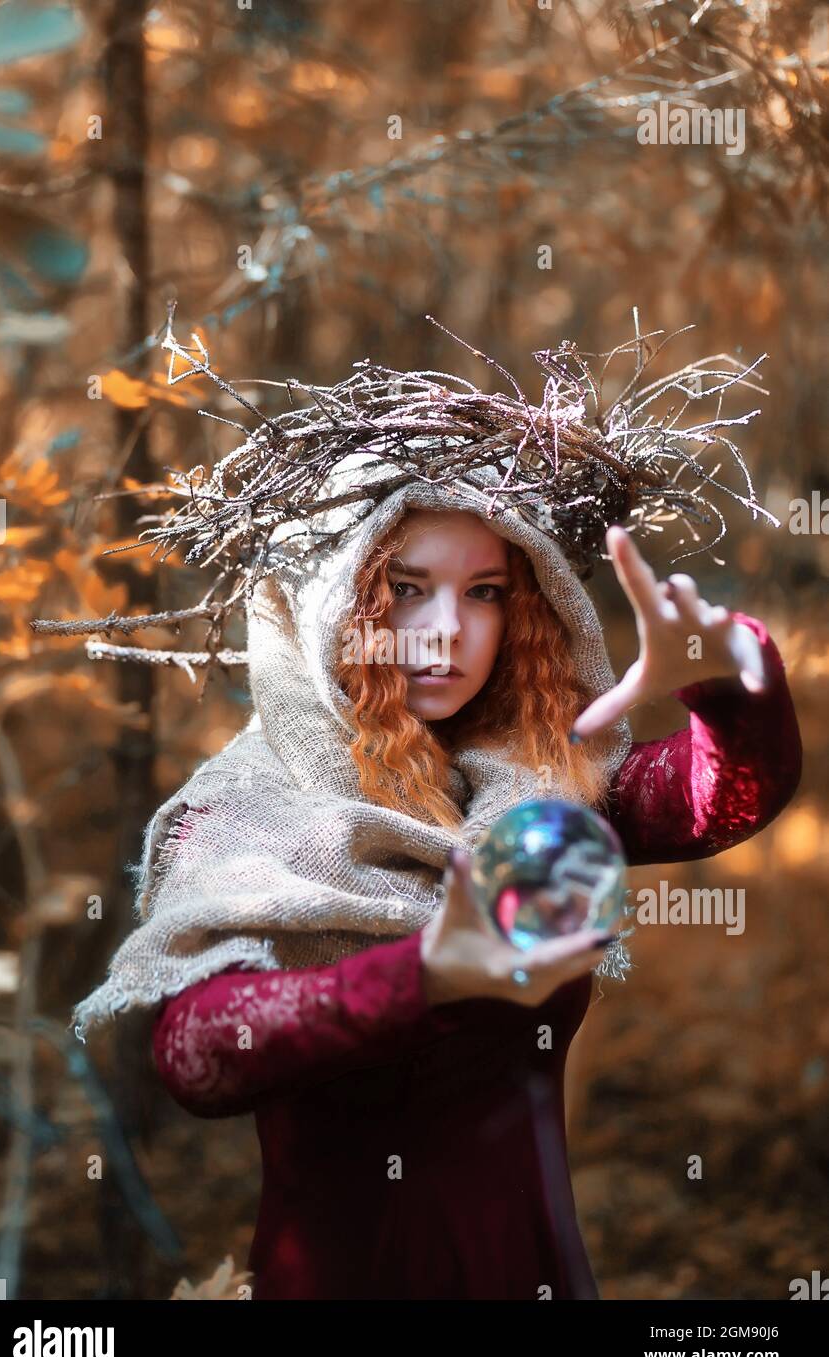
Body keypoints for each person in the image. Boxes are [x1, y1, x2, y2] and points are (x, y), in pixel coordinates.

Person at [72, 469, 801, 1301]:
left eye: (484, 592)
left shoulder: (529, 779)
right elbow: (196, 1053)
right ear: (330, 600)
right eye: (405, 589)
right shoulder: (248, 808)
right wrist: (423, 976)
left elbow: (718, 802)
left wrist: (725, 678)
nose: (446, 631)